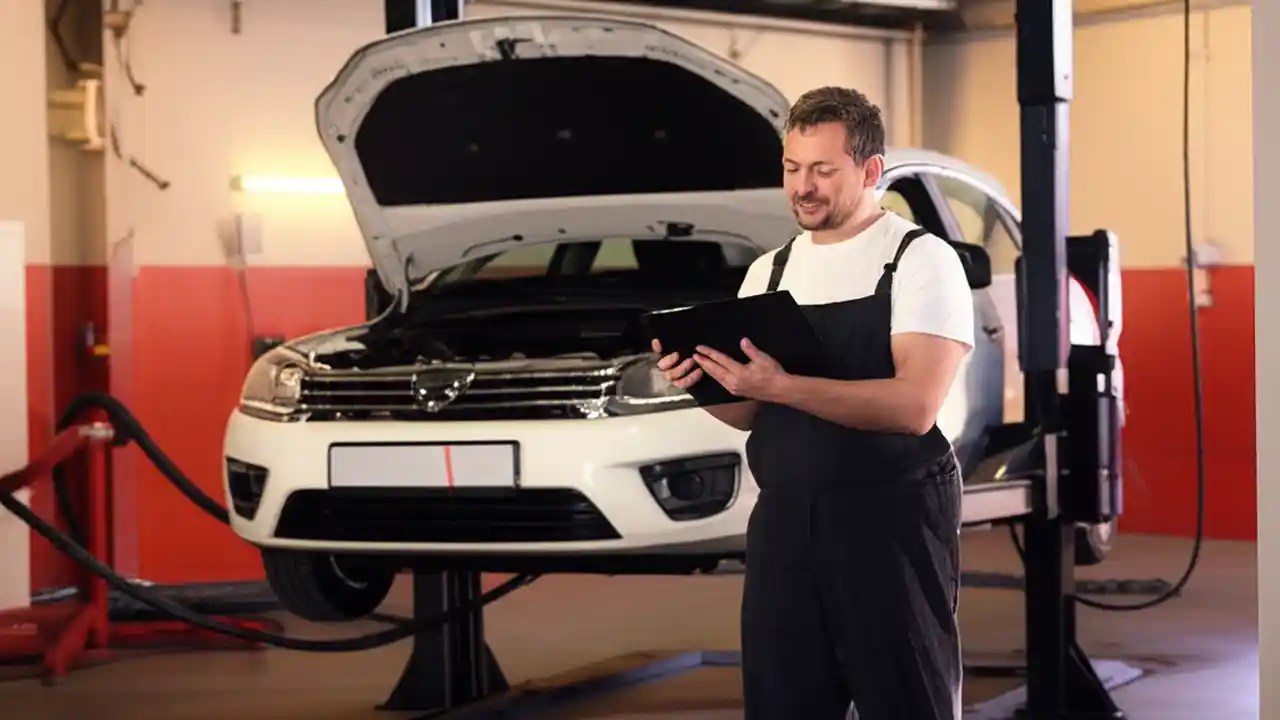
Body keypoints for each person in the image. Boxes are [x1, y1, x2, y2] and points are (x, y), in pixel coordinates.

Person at [652, 87, 974, 719]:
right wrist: (702, 382)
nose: (804, 186)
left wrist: (780, 386)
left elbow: (914, 407)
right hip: (785, 524)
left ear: (871, 171)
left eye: (824, 170)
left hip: (891, 523)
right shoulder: (768, 272)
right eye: (792, 168)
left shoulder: (918, 261)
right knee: (783, 702)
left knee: (908, 699)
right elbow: (751, 413)